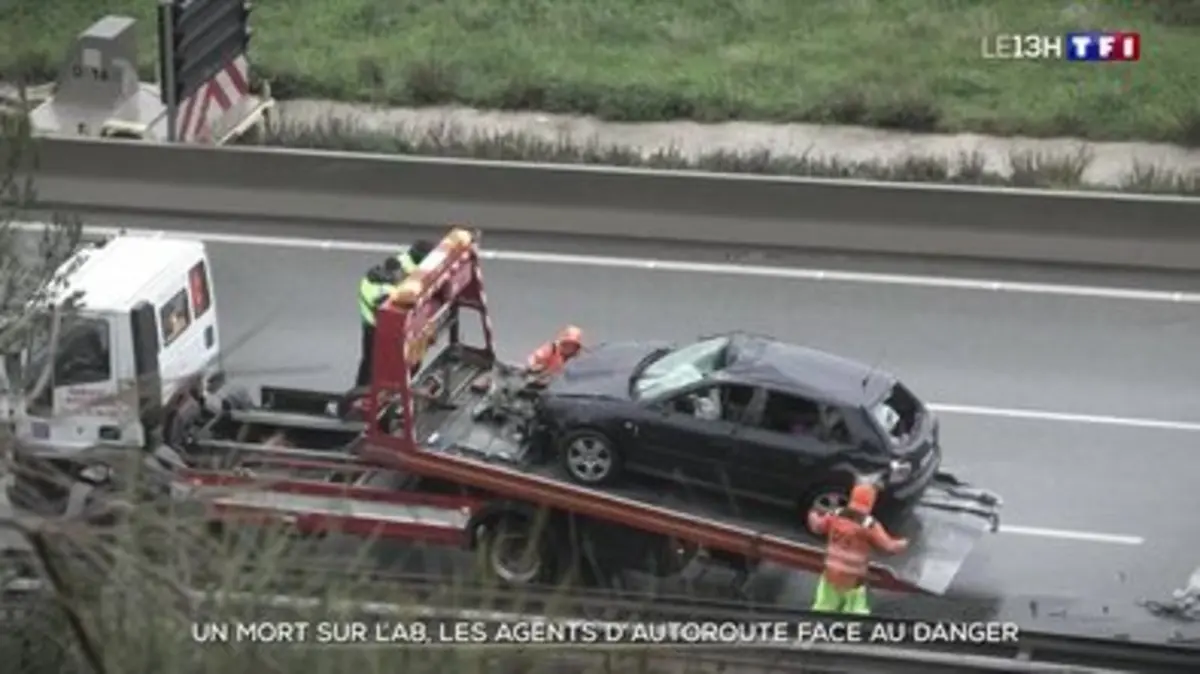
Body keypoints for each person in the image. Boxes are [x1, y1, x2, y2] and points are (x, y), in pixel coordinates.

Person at [807, 481, 909, 615]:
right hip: (852, 578)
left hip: (831, 572)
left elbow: (818, 527)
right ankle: (851, 631)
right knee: (855, 610)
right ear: (870, 501)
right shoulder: (869, 525)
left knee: (824, 606)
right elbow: (887, 546)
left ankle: (818, 626)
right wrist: (902, 544)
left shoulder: (837, 514)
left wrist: (813, 515)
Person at [355, 241, 434, 387]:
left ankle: (369, 389)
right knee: (373, 363)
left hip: (377, 325)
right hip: (374, 328)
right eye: (400, 275)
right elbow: (390, 308)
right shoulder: (383, 291)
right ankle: (364, 393)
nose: (402, 277)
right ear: (392, 274)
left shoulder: (380, 279)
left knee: (370, 362)